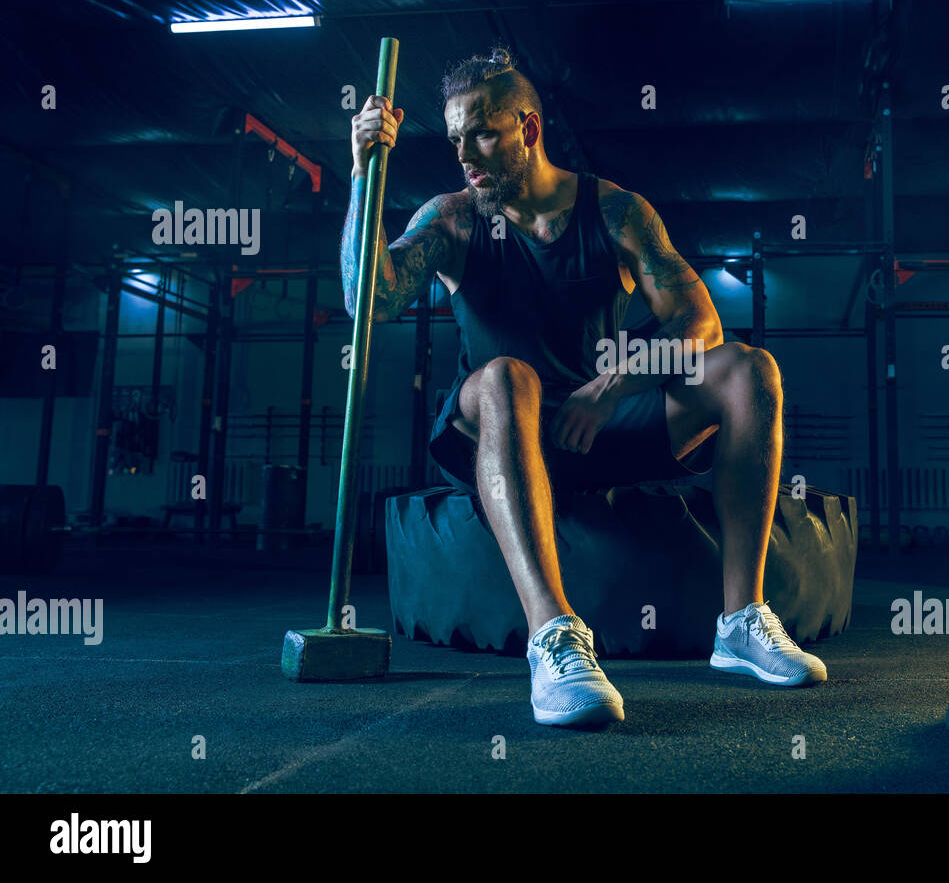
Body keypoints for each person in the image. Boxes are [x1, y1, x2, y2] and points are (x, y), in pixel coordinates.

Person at [341, 45, 826, 727]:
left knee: (749, 371)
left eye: (481, 132)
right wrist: (363, 174)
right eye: (454, 139)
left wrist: (612, 387)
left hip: (598, 422)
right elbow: (371, 301)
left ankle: (741, 621)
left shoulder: (617, 211)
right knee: (512, 378)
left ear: (528, 129)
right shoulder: (452, 217)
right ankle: (554, 635)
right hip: (497, 424)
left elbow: (698, 321)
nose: (465, 156)